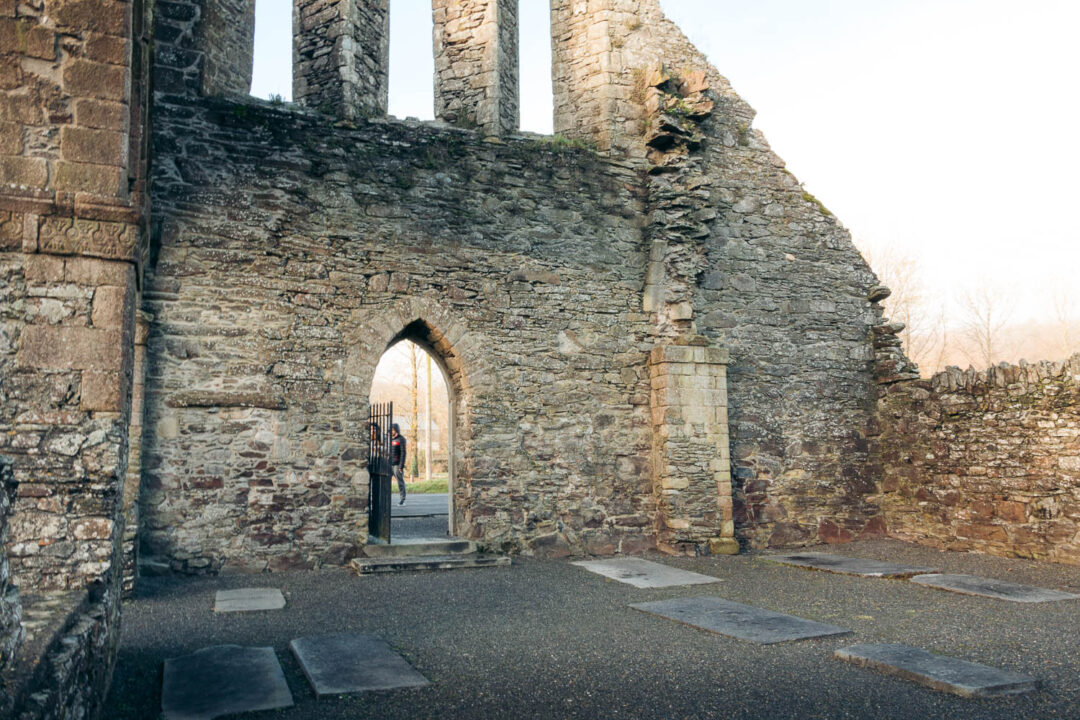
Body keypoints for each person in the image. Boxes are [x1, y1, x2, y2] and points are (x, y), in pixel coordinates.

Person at [391, 423, 407, 505]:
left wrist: (401, 466)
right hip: (388, 464)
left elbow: (403, 453)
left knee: (400, 482)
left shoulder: (401, 439)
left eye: (393, 430)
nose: (392, 431)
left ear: (396, 430)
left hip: (397, 465)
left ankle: (402, 499)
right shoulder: (388, 439)